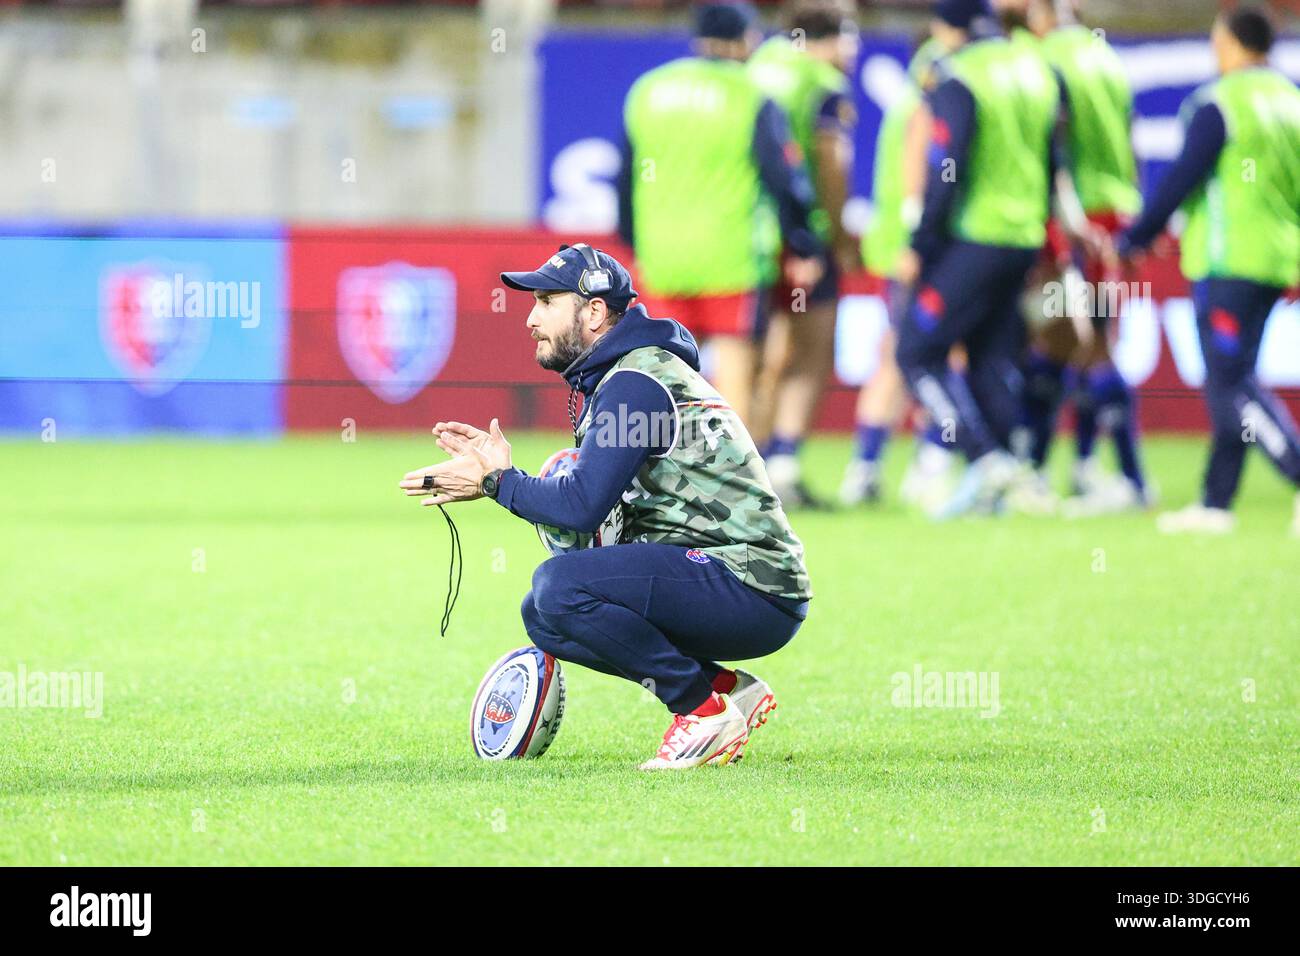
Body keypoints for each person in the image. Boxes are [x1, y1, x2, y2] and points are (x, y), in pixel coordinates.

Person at [399, 244, 813, 769]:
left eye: (547, 300)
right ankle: (729, 688)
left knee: (560, 587)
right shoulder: (627, 375)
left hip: (752, 584)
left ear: (594, 311)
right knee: (543, 614)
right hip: (734, 579)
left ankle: (703, 712)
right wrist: (502, 480)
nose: (530, 318)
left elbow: (580, 508)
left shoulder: (634, 384)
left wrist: (497, 482)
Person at [1115, 7, 1300, 535]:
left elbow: (1181, 179)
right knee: (1236, 379)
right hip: (1275, 262)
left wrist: (1135, 237)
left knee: (1231, 386)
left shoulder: (1220, 103)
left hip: (1227, 261)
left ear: (1234, 44)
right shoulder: (1292, 103)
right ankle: (1216, 502)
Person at [617, 1, 823, 428]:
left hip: (663, 255)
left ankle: (659, 476)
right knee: (734, 373)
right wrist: (802, 242)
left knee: (662, 373)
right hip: (732, 255)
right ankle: (734, 481)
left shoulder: (649, 90)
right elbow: (785, 177)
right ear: (747, 39)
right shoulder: (752, 96)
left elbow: (623, 177)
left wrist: (633, 242)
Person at [893, 0, 1061, 518]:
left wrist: (921, 245)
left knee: (916, 351)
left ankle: (986, 460)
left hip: (974, 237)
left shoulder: (957, 74)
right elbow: (1055, 161)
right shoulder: (1037, 70)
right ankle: (1014, 471)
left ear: (946, 28)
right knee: (991, 357)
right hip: (1024, 236)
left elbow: (948, 165)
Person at [1009, 0, 1151, 516]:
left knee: (1073, 343)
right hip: (1116, 216)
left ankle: (1123, 477)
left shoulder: (1041, 60)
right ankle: (1076, 468)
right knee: (1071, 342)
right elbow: (1131, 142)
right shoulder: (1106, 57)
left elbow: (1054, 147)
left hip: (1075, 223)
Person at [747, 0, 860, 507]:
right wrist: (839, 234)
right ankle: (784, 464)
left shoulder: (755, 68)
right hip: (802, 235)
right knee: (812, 348)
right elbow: (831, 166)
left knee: (763, 353)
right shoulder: (821, 84)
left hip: (747, 235)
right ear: (832, 38)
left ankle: (751, 467)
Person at [840, 34, 956, 508]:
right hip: (923, 249)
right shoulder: (931, 103)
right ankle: (930, 466)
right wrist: (920, 241)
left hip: (900, 248)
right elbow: (919, 179)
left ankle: (867, 466)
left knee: (898, 352)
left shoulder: (906, 102)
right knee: (936, 354)